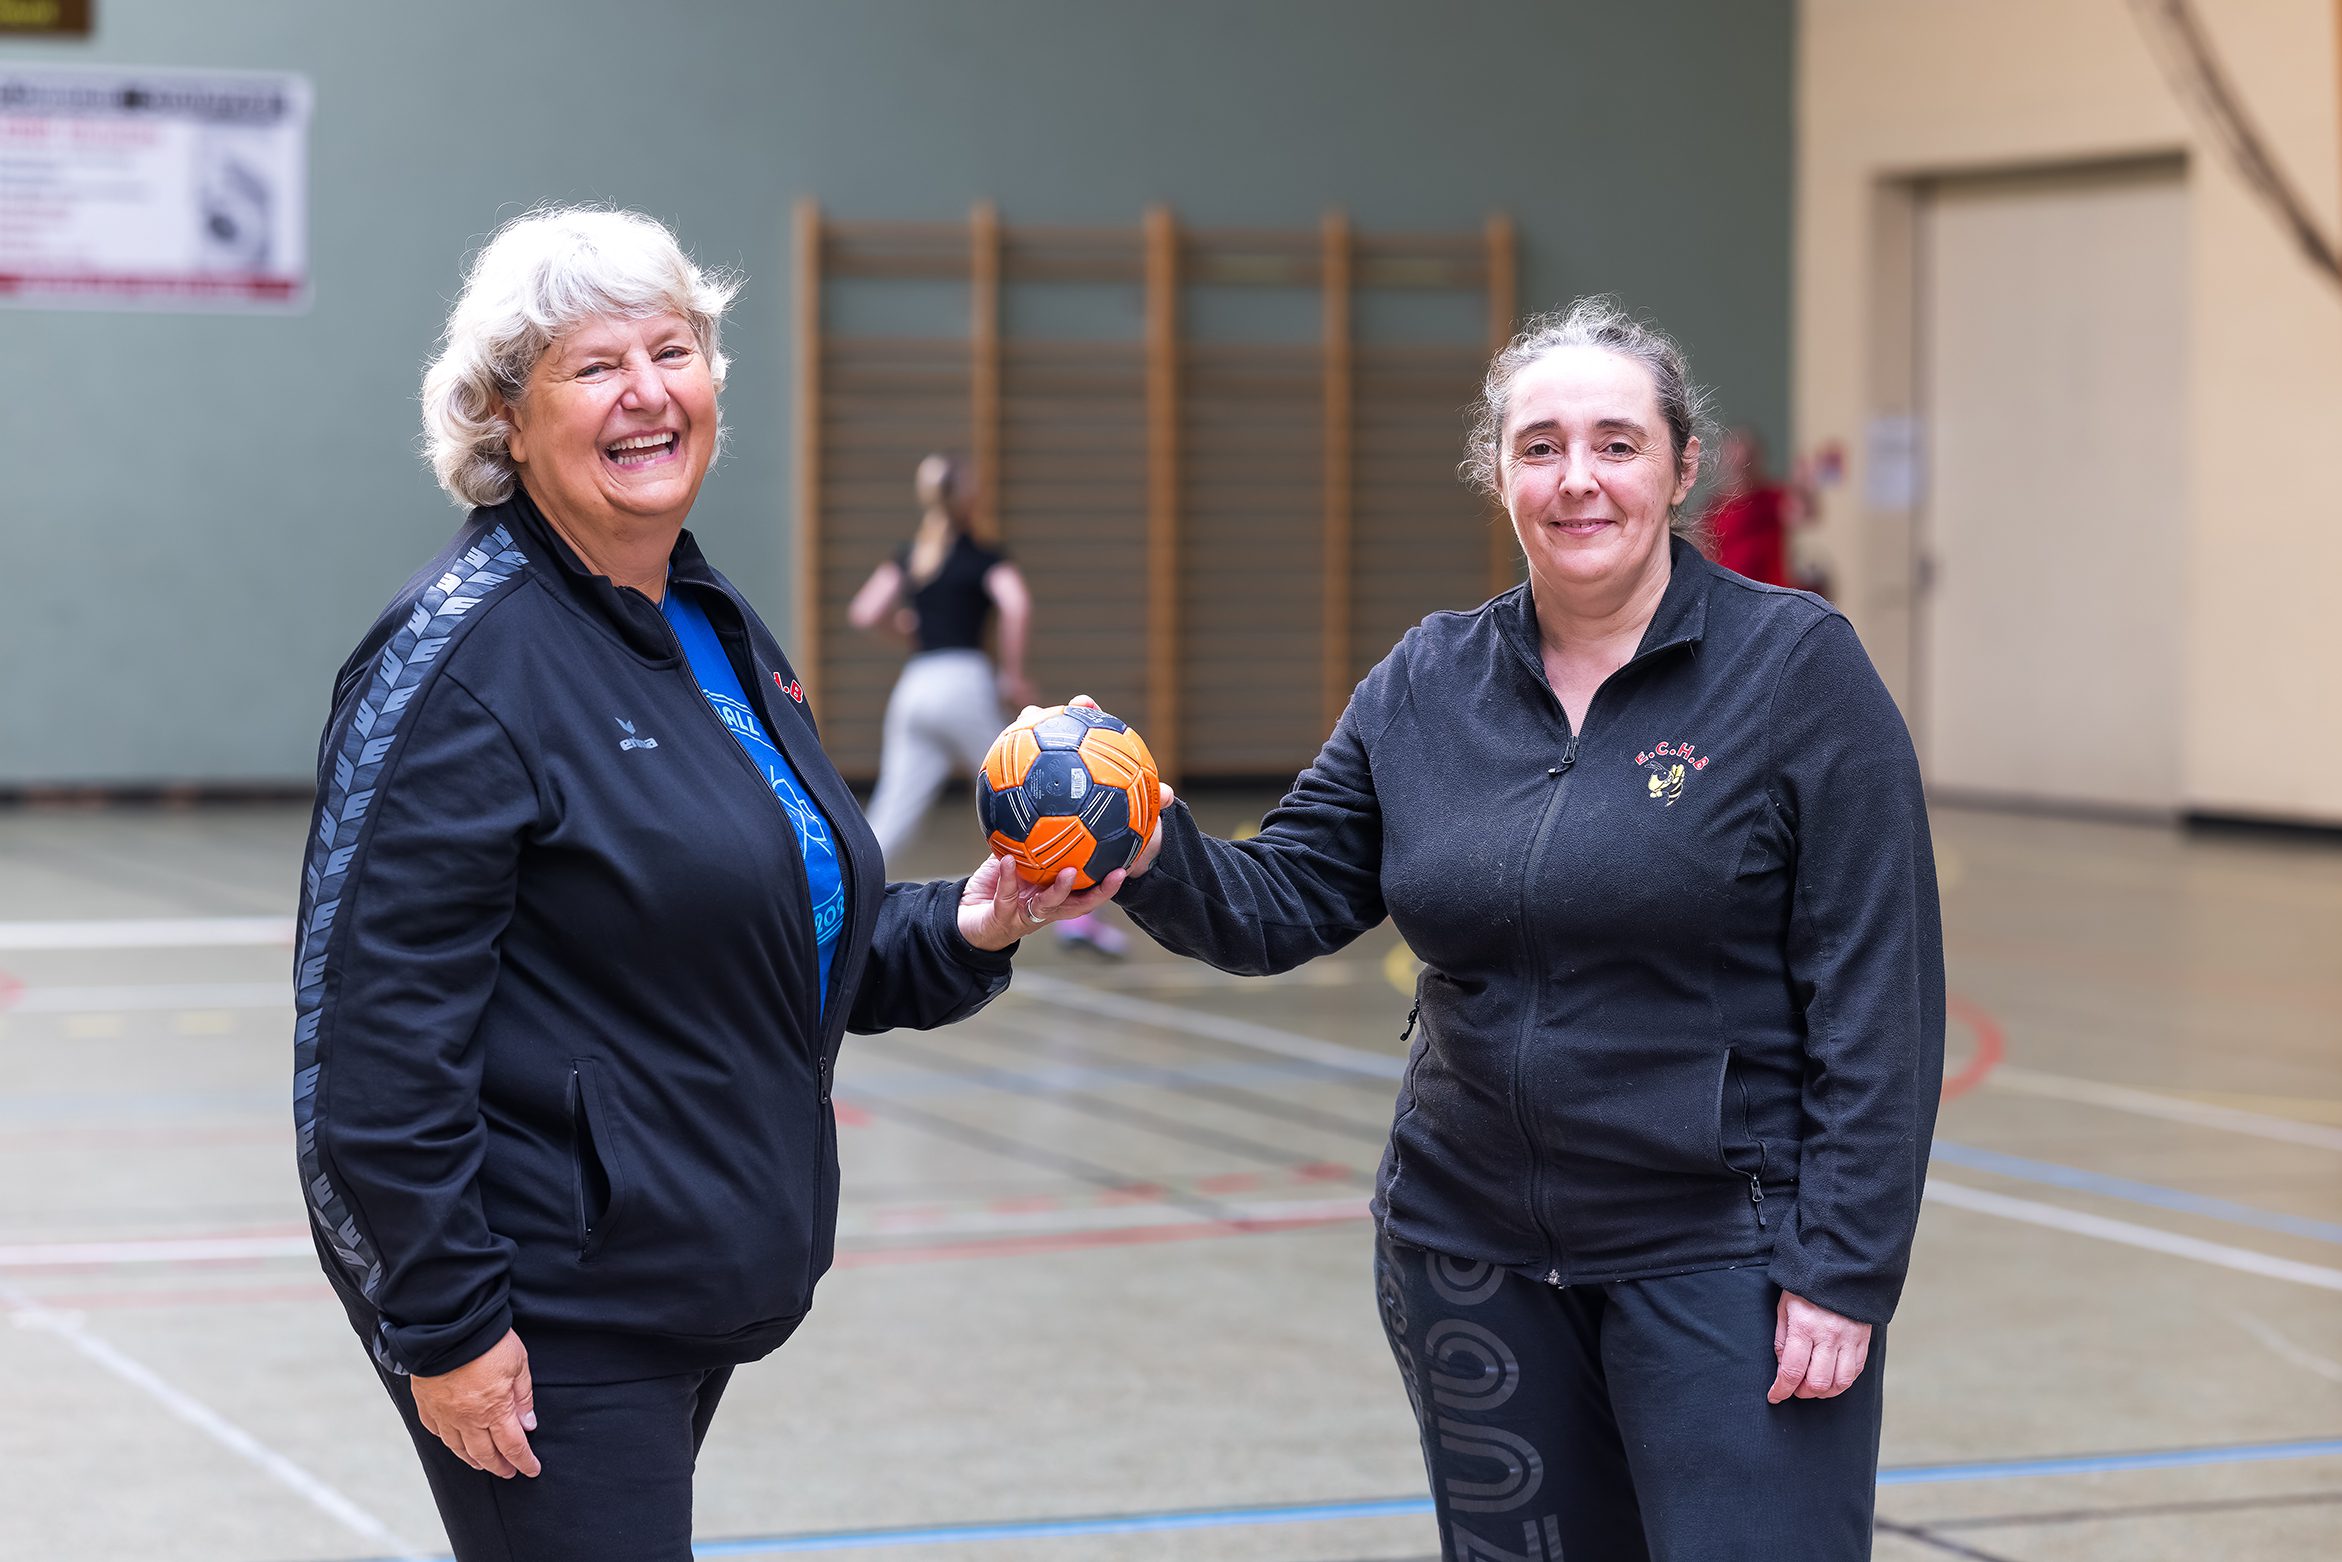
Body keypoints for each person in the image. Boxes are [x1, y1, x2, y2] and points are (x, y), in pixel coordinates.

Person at [290, 208, 1117, 1561]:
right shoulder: (460, 664)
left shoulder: (709, 622)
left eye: (670, 350)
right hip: (547, 1307)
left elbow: (775, 932)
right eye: (590, 364)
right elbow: (368, 1050)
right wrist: (444, 1323)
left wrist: (968, 919)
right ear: (504, 414)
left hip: (672, 1278)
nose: (645, 392)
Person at [1112, 297, 1944, 1561]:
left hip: (1722, 1254)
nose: (1576, 480)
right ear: (1496, 473)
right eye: (1539, 446)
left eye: (1614, 443)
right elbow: (1279, 902)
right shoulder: (1424, 680)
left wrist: (1841, 1266)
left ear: (1677, 466)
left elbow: (1878, 994)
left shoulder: (1794, 672)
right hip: (1468, 1254)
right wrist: (1137, 841)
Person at [849, 455, 1126, 955]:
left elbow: (865, 610)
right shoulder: (983, 556)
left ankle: (832, 897)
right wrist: (1015, 674)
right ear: (969, 499)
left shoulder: (911, 554)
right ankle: (1077, 917)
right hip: (962, 683)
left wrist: (907, 631)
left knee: (891, 811)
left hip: (915, 685)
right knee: (1042, 790)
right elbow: (1016, 604)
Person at [1702, 426, 1810, 588]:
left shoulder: (1773, 498)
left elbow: (1802, 514)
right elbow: (1705, 554)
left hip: (1770, 594)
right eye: (1734, 459)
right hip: (1730, 595)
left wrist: (1803, 488)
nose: (1740, 467)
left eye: (1746, 459)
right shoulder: (1714, 508)